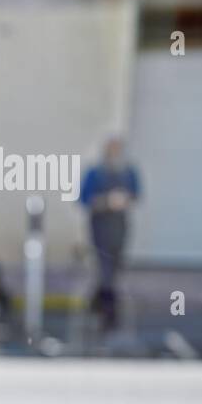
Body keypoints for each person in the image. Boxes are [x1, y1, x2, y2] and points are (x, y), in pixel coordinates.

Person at [80, 136, 140, 332]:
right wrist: (107, 201)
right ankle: (108, 313)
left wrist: (124, 200)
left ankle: (98, 304)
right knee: (104, 267)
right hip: (100, 225)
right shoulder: (95, 173)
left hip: (120, 226)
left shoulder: (128, 172)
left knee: (114, 267)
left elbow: (136, 195)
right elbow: (84, 200)